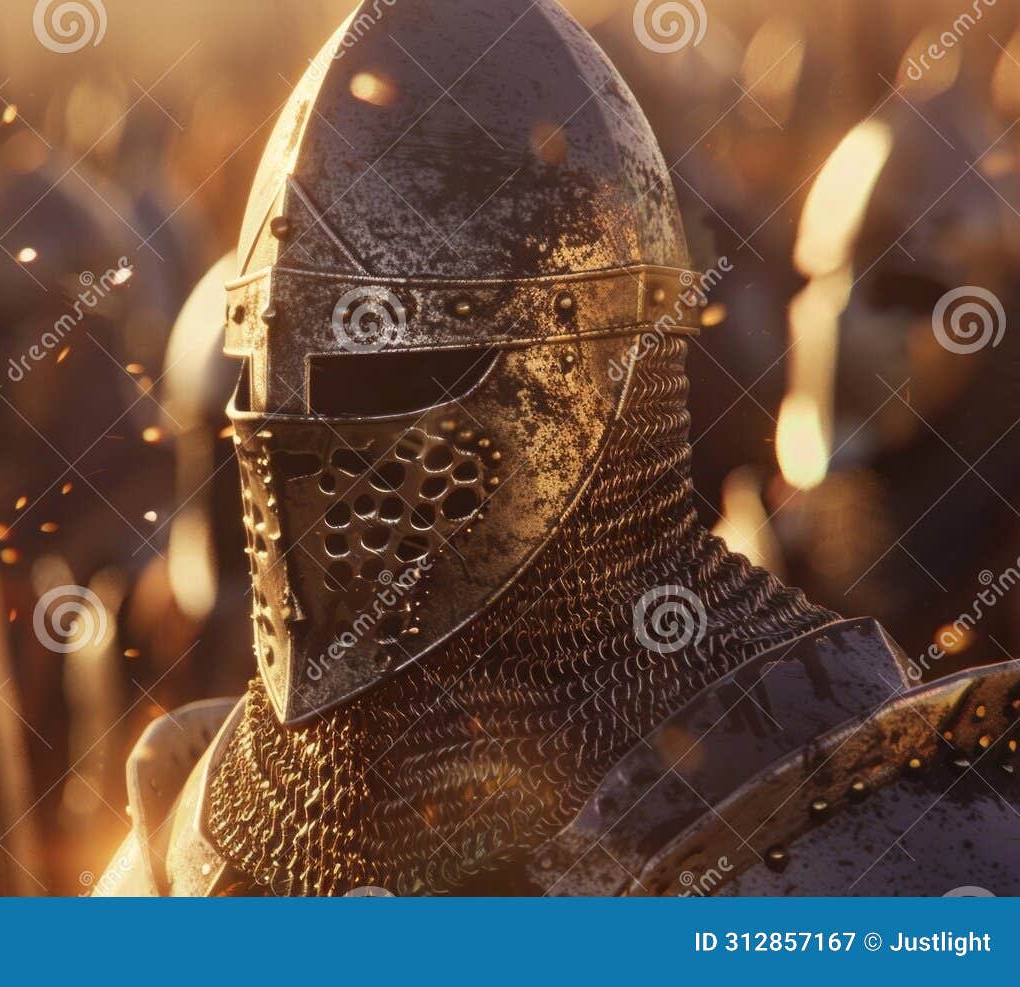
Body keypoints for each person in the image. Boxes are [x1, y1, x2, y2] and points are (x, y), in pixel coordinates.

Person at [95, 0, 1020, 897]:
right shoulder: (200, 827)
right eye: (274, 379)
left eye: (399, 377)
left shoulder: (859, 819)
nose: (306, 442)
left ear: (592, 373)